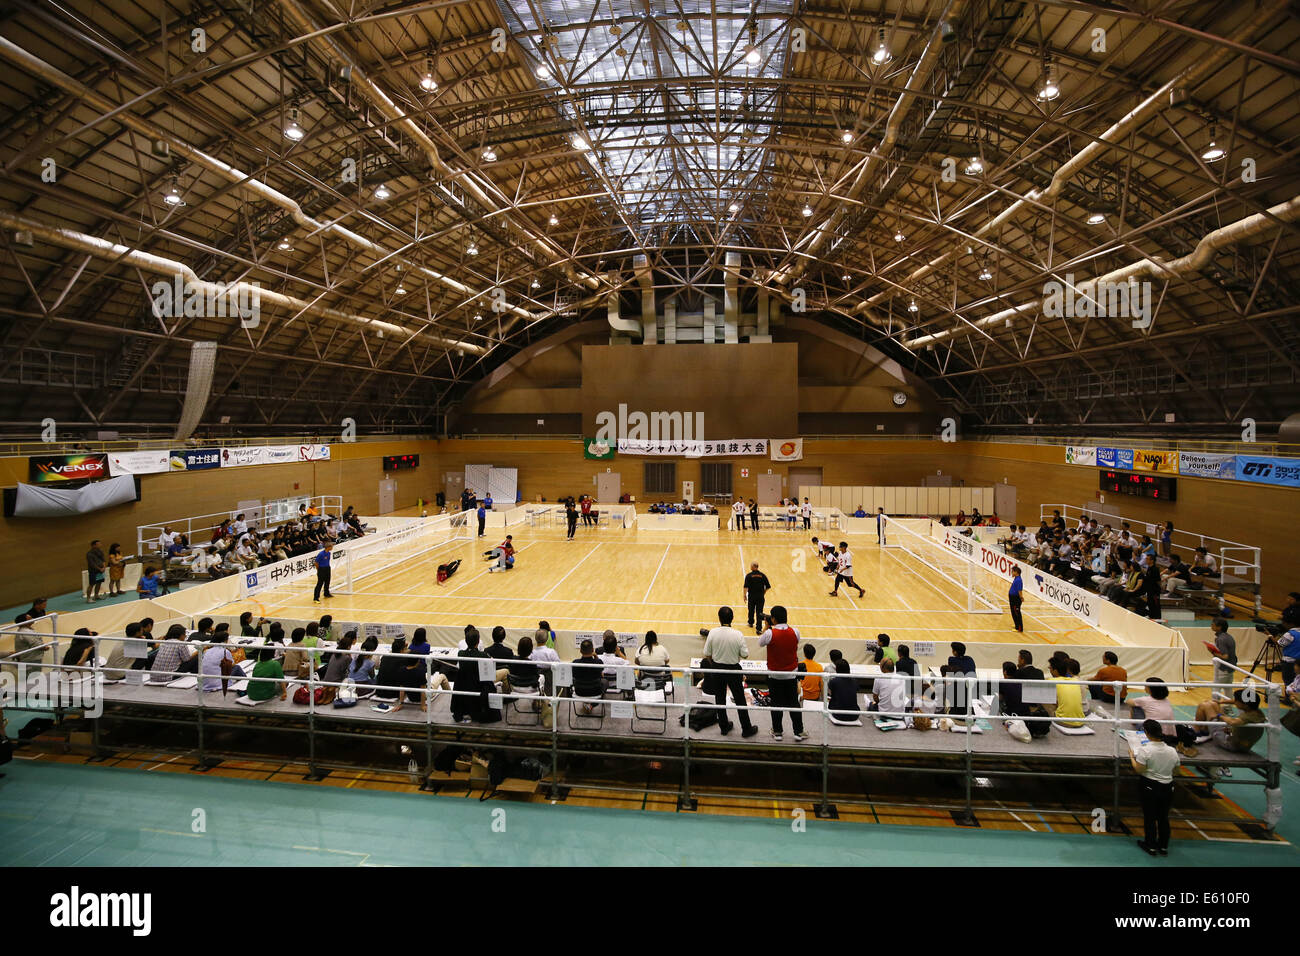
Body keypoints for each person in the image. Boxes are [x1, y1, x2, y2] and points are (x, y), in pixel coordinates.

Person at [702, 606, 758, 737]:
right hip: (733, 670)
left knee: (720, 698)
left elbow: (706, 653)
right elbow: (745, 655)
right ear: (732, 618)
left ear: (719, 618)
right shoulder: (737, 634)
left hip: (717, 669)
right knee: (740, 700)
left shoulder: (713, 633)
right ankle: (746, 728)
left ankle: (724, 727)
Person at [1131, 718, 1179, 857]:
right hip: (1168, 787)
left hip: (1150, 787)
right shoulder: (1172, 751)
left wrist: (1132, 758)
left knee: (1150, 817)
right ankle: (1163, 846)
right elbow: (1176, 771)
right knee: (1163, 817)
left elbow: (1139, 770)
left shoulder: (1145, 750)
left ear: (1146, 733)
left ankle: (1150, 845)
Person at [758, 605, 805, 742]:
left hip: (774, 675)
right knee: (793, 704)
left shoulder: (769, 633)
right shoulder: (795, 631)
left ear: (773, 618)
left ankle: (778, 732)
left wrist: (767, 627)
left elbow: (760, 643)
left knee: (776, 703)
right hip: (791, 674)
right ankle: (798, 731)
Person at [1195, 690, 1266, 754]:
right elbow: (1236, 702)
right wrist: (1221, 702)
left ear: (1245, 705)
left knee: (1204, 705)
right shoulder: (1256, 711)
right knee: (1214, 704)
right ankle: (1205, 730)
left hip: (1231, 744)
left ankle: (1196, 733)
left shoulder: (1247, 717)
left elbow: (1232, 722)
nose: (1235, 701)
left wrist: (1219, 716)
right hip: (1240, 742)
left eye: (1237, 700)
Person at [452, 627, 494, 723]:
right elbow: (490, 674)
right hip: (478, 686)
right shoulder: (483, 655)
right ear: (478, 641)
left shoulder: (461, 653)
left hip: (465, 685)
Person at [570, 638, 606, 713]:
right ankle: (592, 704)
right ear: (593, 650)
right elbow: (601, 672)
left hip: (579, 691)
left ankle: (587, 703)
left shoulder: (575, 663)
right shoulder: (598, 662)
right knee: (605, 681)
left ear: (580, 650)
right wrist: (596, 656)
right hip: (595, 692)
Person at [1049, 657, 1085, 727]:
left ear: (1055, 670)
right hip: (1081, 720)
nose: (1049, 670)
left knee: (1041, 698)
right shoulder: (1075, 680)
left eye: (1050, 668)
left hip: (1064, 721)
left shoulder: (1052, 681)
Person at [1207, 618, 1237, 699]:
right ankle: (1228, 708)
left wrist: (1212, 652)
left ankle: (1215, 706)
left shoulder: (1221, 639)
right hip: (1231, 667)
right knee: (1228, 689)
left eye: (1213, 624)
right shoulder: (1229, 637)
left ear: (1219, 627)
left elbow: (1225, 657)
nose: (1211, 626)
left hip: (1223, 669)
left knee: (1216, 689)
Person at [743, 562, 771, 632]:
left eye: (751, 566)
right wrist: (763, 592)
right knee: (759, 612)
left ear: (753, 567)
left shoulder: (749, 576)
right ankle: (759, 628)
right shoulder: (762, 575)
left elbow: (745, 587)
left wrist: (744, 595)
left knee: (751, 610)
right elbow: (768, 586)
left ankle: (750, 623)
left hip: (752, 596)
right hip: (760, 597)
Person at [1008, 565, 1024, 633]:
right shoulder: (1016, 578)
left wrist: (1021, 597)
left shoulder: (1019, 580)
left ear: (1016, 572)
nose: (1012, 572)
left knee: (1016, 613)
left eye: (1013, 571)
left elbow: (1019, 590)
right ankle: (1016, 624)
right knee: (1013, 612)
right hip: (1012, 598)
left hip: (1016, 599)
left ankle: (1019, 628)